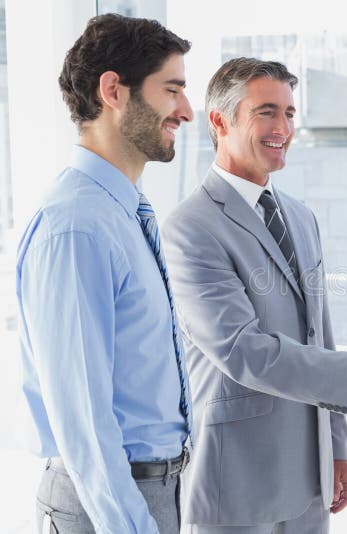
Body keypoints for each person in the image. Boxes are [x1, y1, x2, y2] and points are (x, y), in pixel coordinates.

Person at [160, 57, 347, 533]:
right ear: (220, 121)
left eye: (289, 113)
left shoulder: (299, 216)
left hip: (309, 476)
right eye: (266, 111)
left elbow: (318, 335)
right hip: (238, 480)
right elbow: (242, 351)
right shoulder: (190, 228)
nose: (283, 127)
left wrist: (336, 447)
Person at [16, 14, 195, 533]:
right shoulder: (77, 227)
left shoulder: (121, 211)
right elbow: (85, 426)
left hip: (151, 493)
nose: (185, 110)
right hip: (108, 506)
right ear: (114, 91)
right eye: (172, 89)